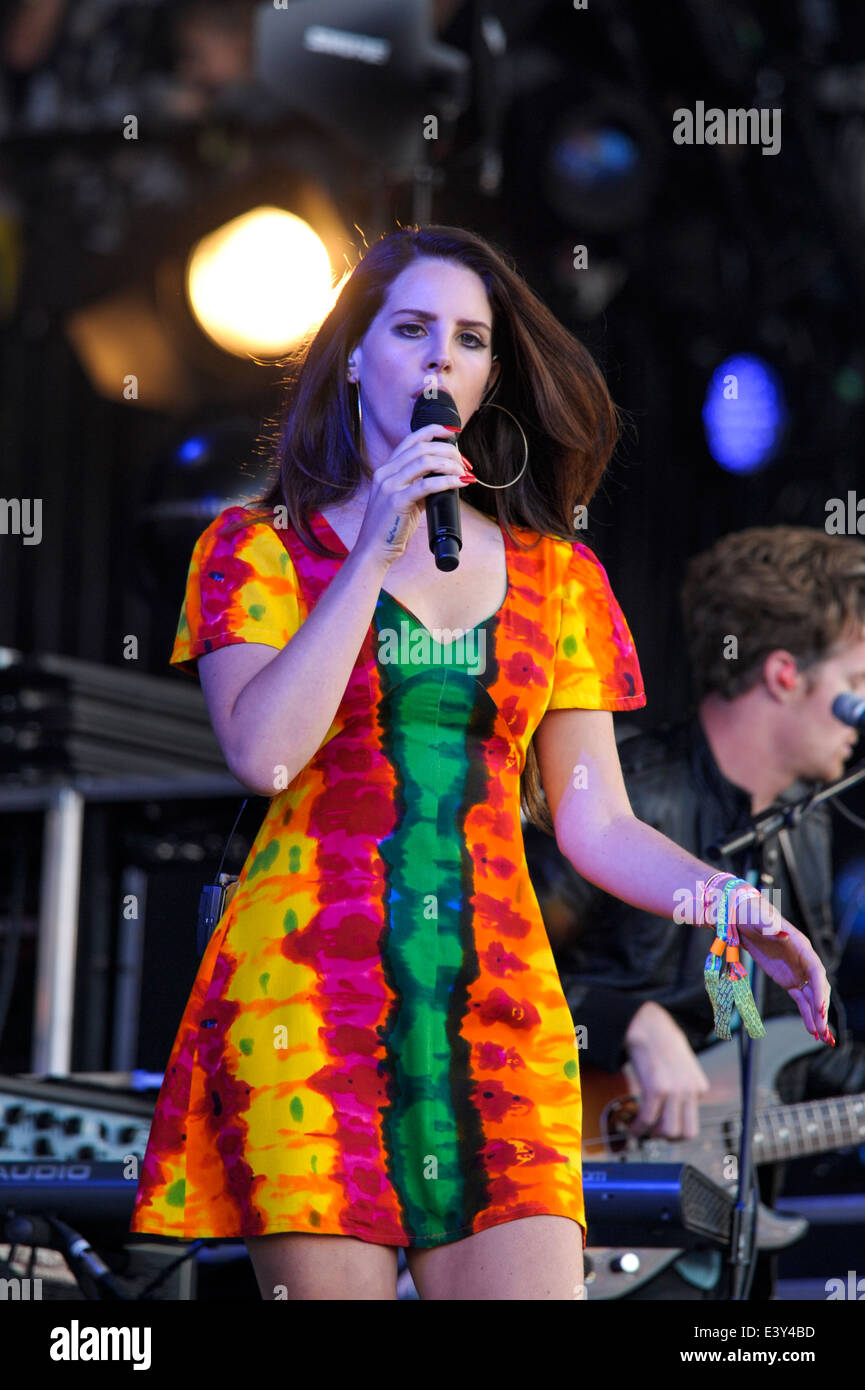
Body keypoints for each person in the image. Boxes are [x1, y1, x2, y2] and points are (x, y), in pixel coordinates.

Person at [128, 224, 833, 1301]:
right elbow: (267, 755)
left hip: (498, 998)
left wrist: (734, 903)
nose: (439, 359)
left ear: (490, 373)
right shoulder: (256, 548)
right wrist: (371, 546)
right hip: (306, 994)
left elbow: (595, 821)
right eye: (410, 330)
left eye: (468, 338)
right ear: (355, 353)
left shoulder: (561, 579)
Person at [524, 524, 865, 1299]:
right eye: (855, 678)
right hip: (583, 1205)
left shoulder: (806, 823)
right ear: (783, 673)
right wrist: (624, 1024)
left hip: (730, 1229)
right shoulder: (625, 802)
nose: (860, 711)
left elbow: (805, 1048)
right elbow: (485, 970)